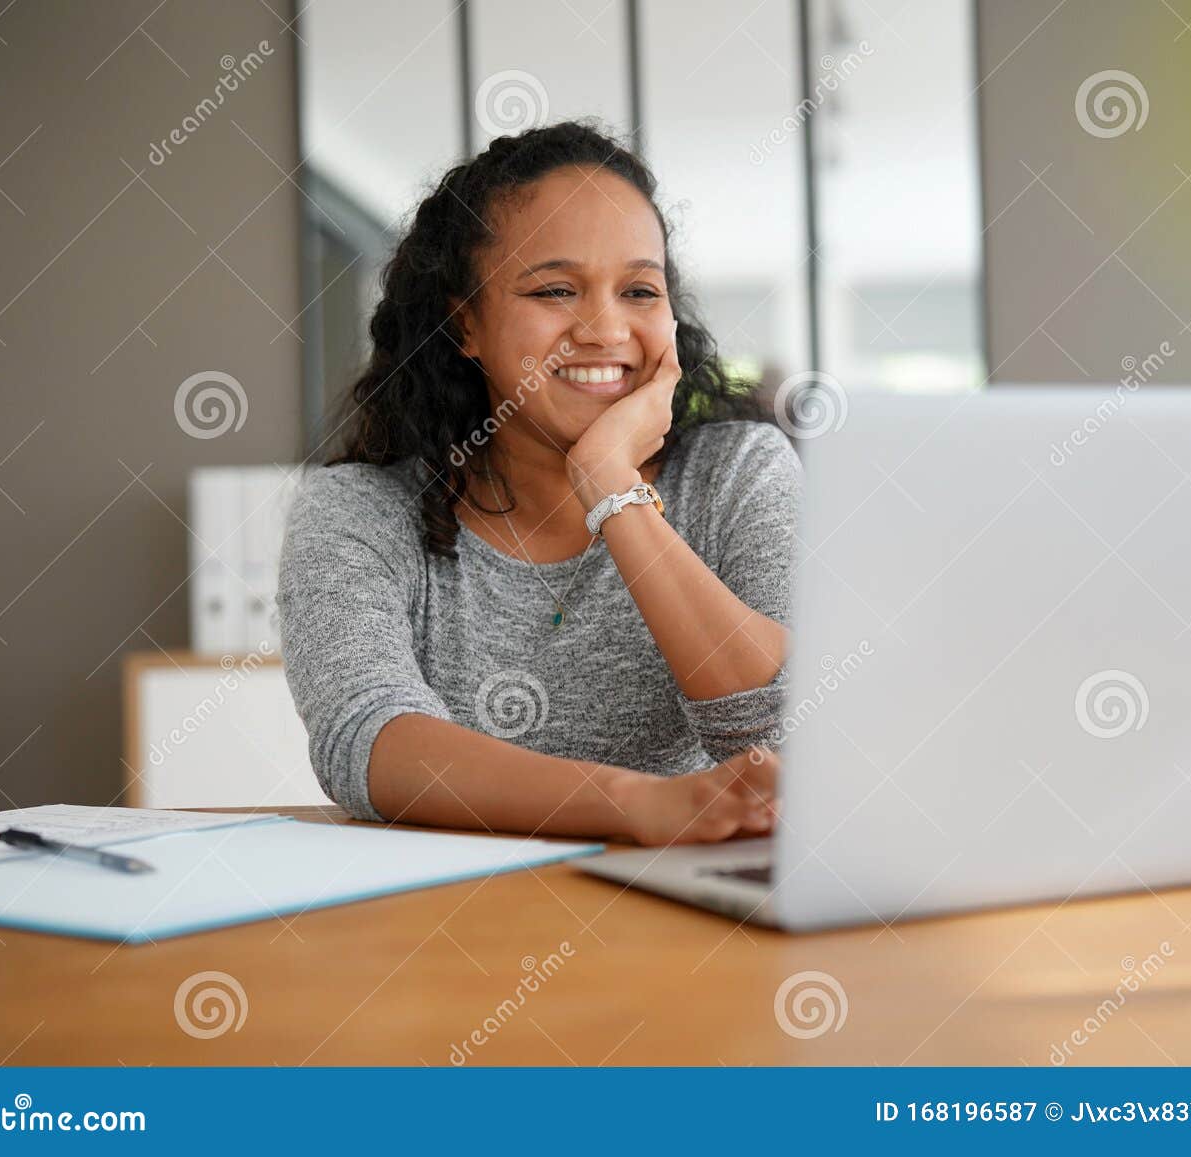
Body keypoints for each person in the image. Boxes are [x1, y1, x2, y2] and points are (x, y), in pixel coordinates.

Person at [277, 120, 801, 845]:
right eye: (556, 289)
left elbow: (785, 734)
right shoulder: (359, 511)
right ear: (466, 325)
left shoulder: (739, 474)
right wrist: (637, 803)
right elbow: (369, 740)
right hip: (452, 930)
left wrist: (612, 487)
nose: (606, 328)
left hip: (695, 925)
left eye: (640, 291)